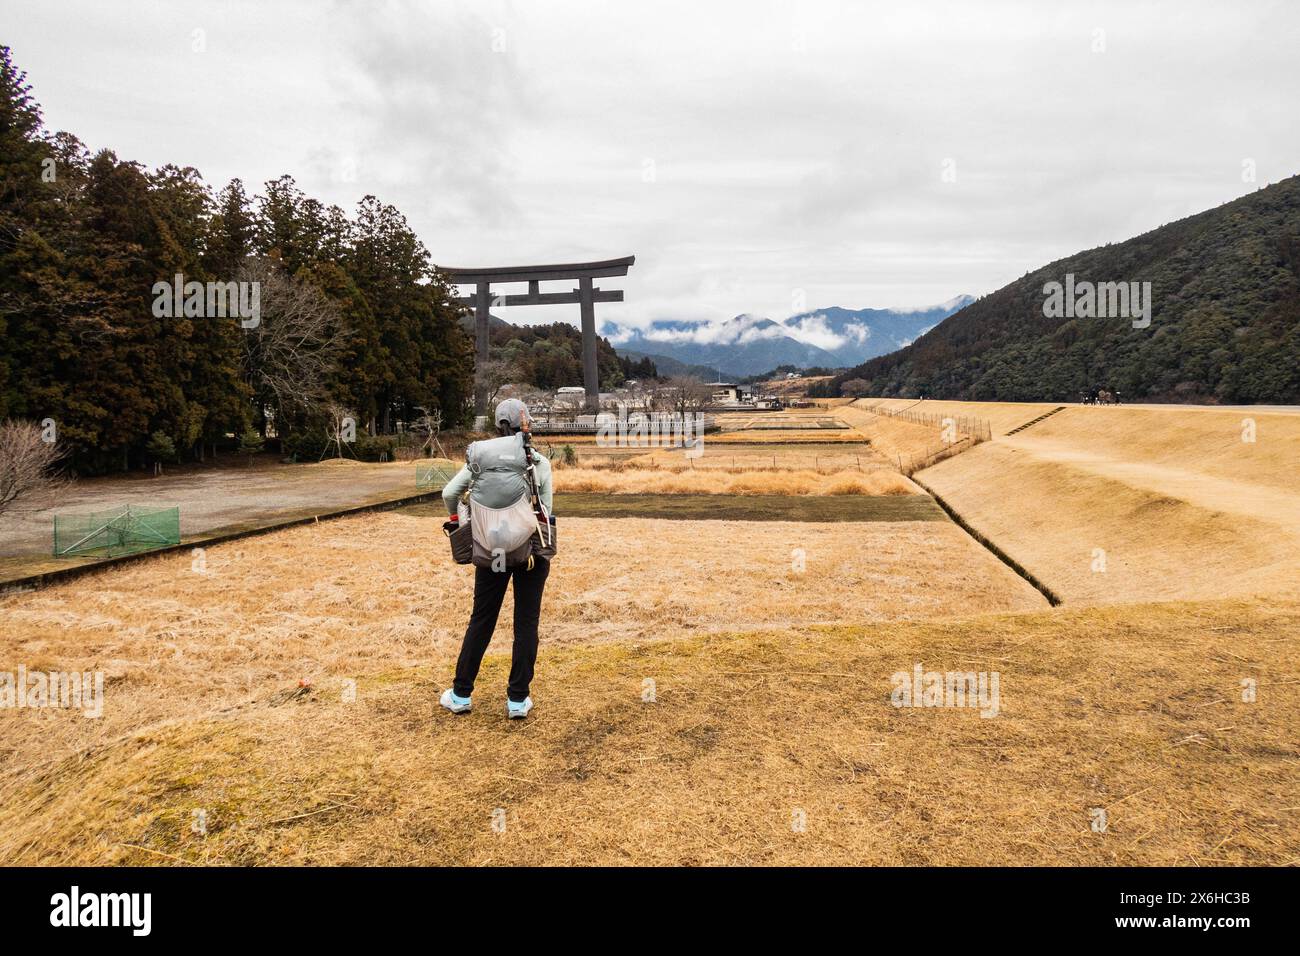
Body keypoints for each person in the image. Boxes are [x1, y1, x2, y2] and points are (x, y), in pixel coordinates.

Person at [439, 398, 553, 719]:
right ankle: (517, 700)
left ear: (498, 424)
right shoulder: (538, 461)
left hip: (493, 550)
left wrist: (456, 517)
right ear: (525, 423)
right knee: (526, 623)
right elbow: (547, 509)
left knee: (482, 619)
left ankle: (461, 694)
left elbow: (449, 493)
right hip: (532, 551)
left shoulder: (481, 459)